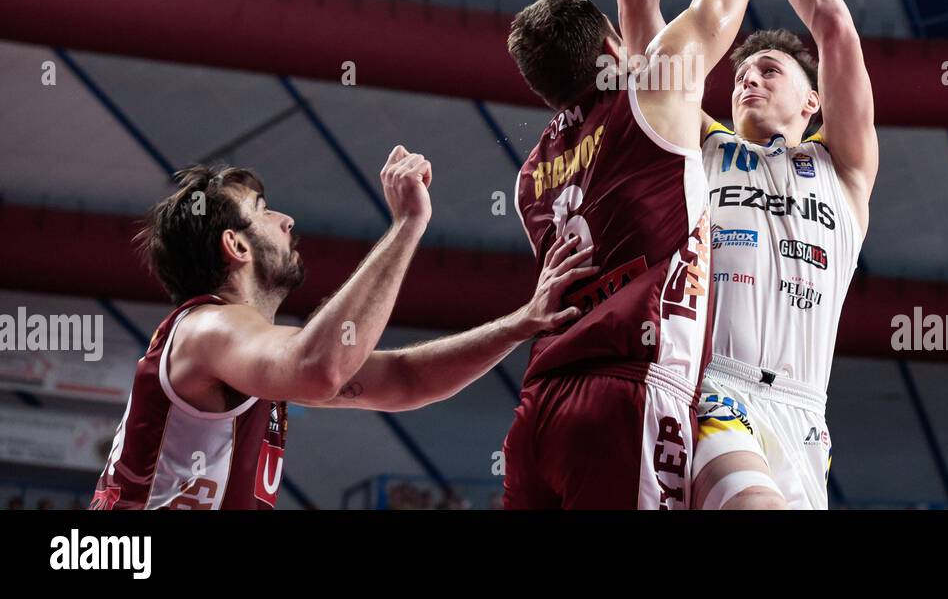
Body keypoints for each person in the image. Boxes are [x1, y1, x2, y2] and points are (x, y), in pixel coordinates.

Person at [501, 0, 830, 509]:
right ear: (616, 54)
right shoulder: (652, 96)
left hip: (537, 410)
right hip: (628, 396)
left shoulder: (530, 179)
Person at [618, 0, 872, 509]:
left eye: (770, 72)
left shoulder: (846, 171)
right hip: (713, 397)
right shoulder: (700, 145)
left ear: (812, 106)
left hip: (805, 419)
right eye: (742, 71)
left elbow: (833, 26)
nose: (747, 77)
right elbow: (637, 13)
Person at [90, 147, 585, 510]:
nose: (286, 220)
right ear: (236, 247)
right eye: (263, 212)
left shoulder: (245, 355)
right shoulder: (208, 328)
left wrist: (519, 324)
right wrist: (407, 225)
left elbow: (406, 380)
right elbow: (318, 367)